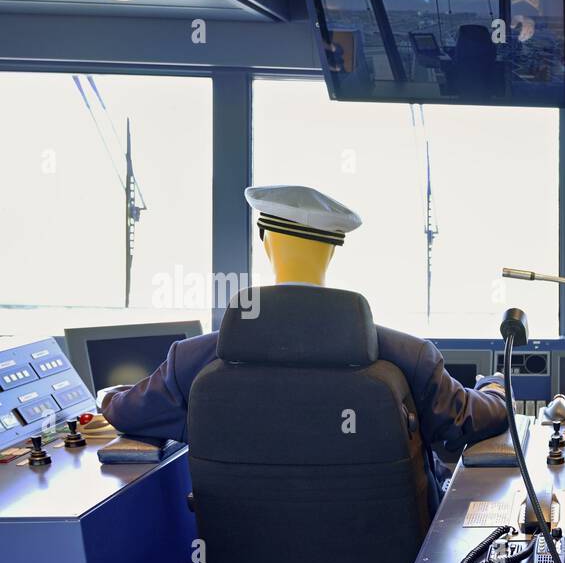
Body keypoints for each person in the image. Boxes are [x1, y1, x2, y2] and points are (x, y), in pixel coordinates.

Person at [101, 185, 510, 512]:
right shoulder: (409, 356)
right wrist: (496, 389)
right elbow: (467, 423)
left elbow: (128, 412)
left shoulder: (191, 362)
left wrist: (107, 397)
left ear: (266, 244)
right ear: (333, 249)